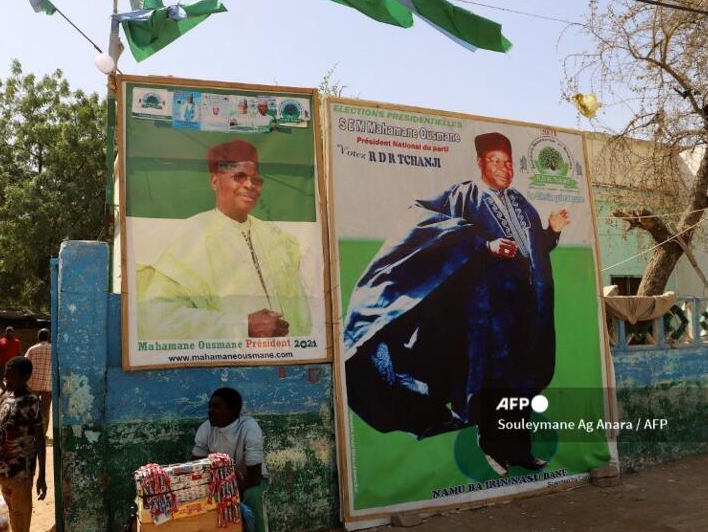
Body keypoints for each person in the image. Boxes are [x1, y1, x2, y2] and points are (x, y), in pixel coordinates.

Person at [342, 132, 571, 477]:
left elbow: (535, 251)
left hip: (524, 314)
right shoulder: (464, 196)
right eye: (495, 161)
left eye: (508, 162)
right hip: (485, 315)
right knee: (492, 383)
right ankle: (494, 448)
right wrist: (483, 244)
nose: (504, 168)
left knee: (521, 385)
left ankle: (520, 449)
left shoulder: (522, 203)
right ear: (480, 162)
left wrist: (552, 232)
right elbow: (422, 222)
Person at [137, 139, 311, 340]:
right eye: (239, 177)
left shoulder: (279, 240)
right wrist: (242, 325)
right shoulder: (188, 239)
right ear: (215, 181)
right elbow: (159, 319)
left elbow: (302, 315)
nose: (250, 185)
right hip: (224, 358)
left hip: (286, 356)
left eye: (256, 180)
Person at [193, 387, 267, 532]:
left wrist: (229, 491)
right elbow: (196, 465)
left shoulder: (248, 427)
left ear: (233, 411)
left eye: (217, 407)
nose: (210, 411)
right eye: (210, 406)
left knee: (252, 495)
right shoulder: (207, 428)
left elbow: (254, 477)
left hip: (250, 480)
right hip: (220, 482)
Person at [0, 356, 47, 532]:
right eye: (6, 376)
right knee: (12, 516)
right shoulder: (5, 397)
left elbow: (40, 440)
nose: (7, 381)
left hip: (22, 473)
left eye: (12, 377)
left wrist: (42, 475)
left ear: (26, 377)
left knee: (20, 519)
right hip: (4, 471)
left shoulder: (32, 402)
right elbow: (2, 435)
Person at [24, 329, 52, 434]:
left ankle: (32, 432)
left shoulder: (32, 349)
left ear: (38, 337)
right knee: (45, 410)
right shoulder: (53, 349)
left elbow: (25, 364)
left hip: (33, 385)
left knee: (32, 410)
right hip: (48, 385)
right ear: (49, 337)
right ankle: (43, 433)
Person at [0, 327, 22, 391]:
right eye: (8, 331)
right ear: (5, 332)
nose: (9, 332)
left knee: (10, 382)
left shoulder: (17, 341)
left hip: (12, 366)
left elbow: (18, 354)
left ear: (13, 332)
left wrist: (20, 364)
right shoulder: (0, 341)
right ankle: (5, 391)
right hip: (2, 365)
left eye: (10, 331)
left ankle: (9, 393)